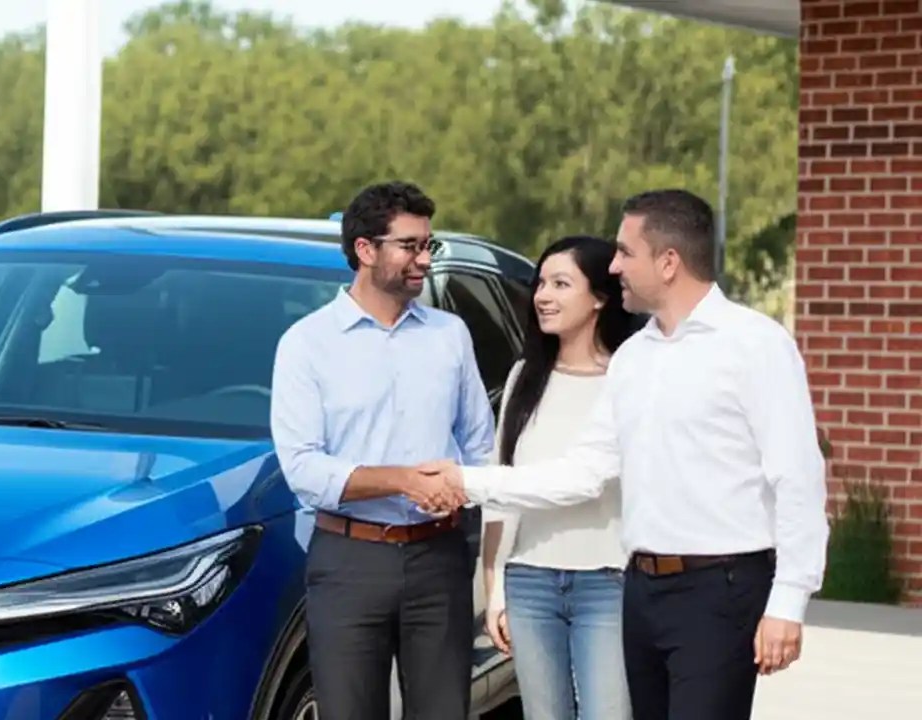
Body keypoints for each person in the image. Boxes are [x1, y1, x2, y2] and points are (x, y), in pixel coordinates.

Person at [426, 189, 828, 720]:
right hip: (640, 591)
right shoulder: (635, 357)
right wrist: (467, 482)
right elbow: (587, 470)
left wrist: (787, 602)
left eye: (624, 252)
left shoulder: (755, 345)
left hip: (721, 590)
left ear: (668, 262)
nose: (614, 266)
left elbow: (797, 479)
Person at [270, 180, 494, 720]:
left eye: (428, 246)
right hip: (349, 560)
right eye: (410, 246)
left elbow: (480, 445)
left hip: (439, 558)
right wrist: (403, 480)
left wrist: (458, 489)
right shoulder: (307, 343)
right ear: (366, 251)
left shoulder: (450, 335)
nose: (424, 260)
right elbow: (303, 468)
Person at [480, 235, 638, 720]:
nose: (543, 295)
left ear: (599, 298)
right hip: (529, 581)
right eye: (541, 283)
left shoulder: (630, 379)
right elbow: (499, 489)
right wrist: (495, 589)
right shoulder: (525, 376)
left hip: (608, 583)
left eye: (561, 283)